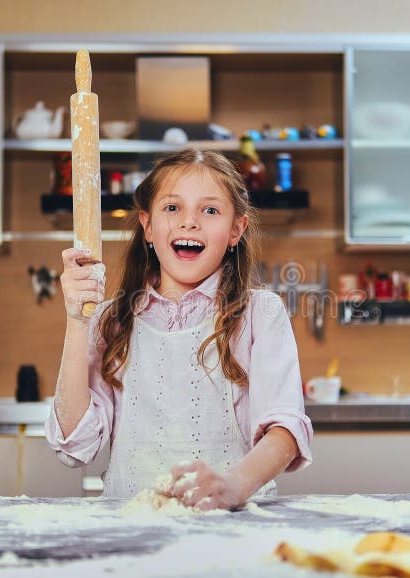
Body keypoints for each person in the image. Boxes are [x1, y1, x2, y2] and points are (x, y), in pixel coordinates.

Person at [46, 148, 312, 510]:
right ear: (148, 226)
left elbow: (285, 428)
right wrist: (78, 321)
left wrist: (235, 484)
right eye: (173, 208)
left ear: (236, 230)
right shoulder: (110, 321)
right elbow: (74, 447)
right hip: (134, 527)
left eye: (210, 210)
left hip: (234, 528)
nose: (190, 222)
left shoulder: (260, 314)